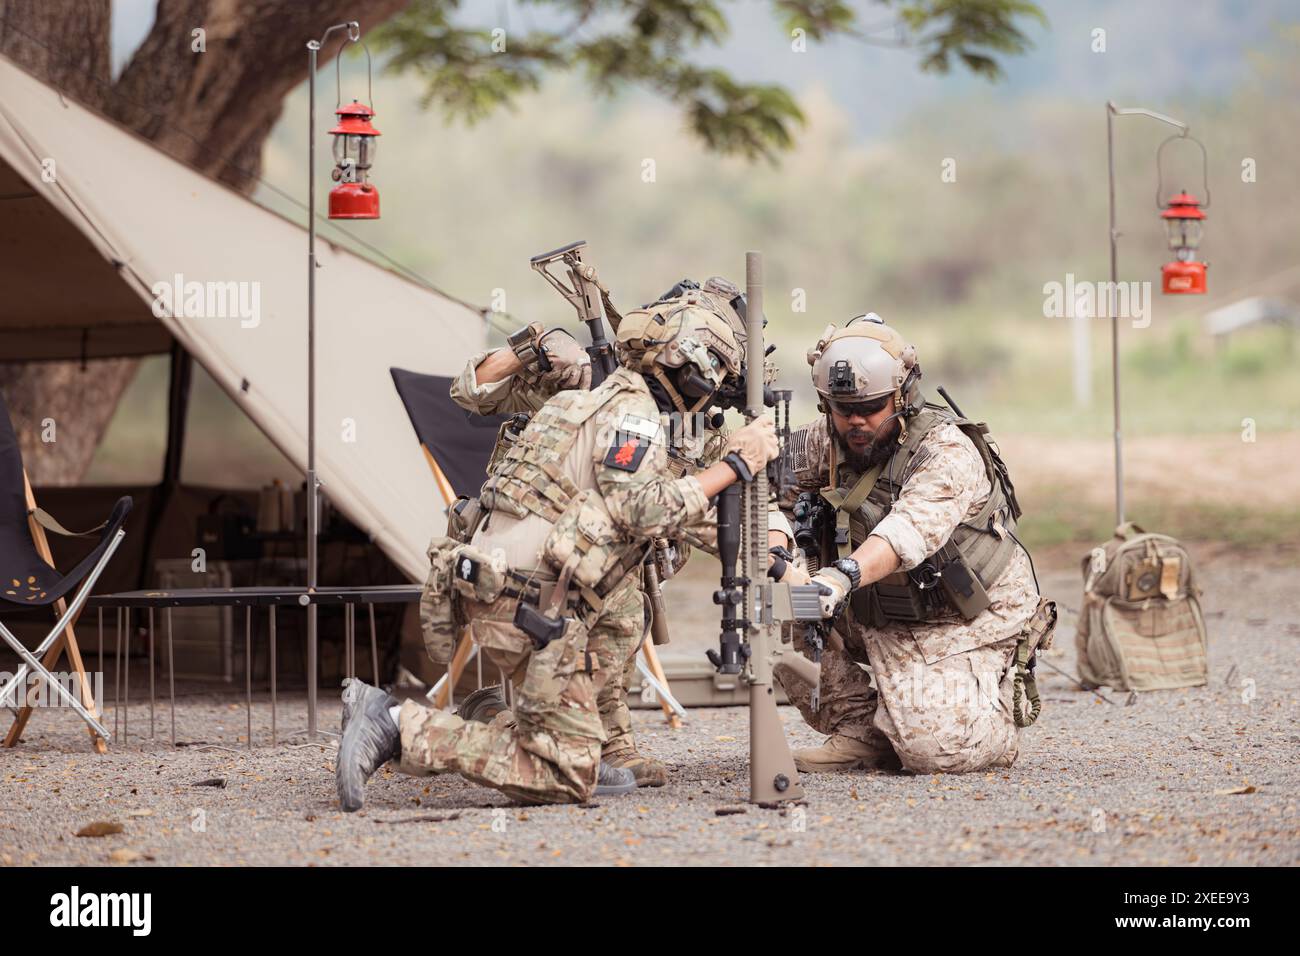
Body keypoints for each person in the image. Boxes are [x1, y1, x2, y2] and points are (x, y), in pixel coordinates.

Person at [336, 304, 779, 808]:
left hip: (502, 584)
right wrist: (737, 462)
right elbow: (640, 509)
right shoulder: (635, 415)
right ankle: (396, 725)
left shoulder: (591, 400)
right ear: (696, 373)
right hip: (527, 603)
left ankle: (506, 718)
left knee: (623, 608)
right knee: (567, 773)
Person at [442, 276, 750, 787]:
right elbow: (470, 391)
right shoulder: (599, 385)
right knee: (619, 607)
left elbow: (734, 508)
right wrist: (535, 346)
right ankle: (521, 729)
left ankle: (599, 741)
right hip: (539, 558)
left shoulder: (709, 430)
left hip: (617, 553)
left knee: (627, 606)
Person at [771, 314, 1056, 775]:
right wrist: (781, 550)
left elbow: (906, 533)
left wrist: (839, 577)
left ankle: (990, 708)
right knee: (765, 602)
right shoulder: (821, 442)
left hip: (966, 620)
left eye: (872, 407)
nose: (857, 421)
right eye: (843, 410)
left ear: (902, 397)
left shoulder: (944, 450)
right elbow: (759, 487)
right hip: (878, 610)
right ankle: (861, 731)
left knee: (934, 752)